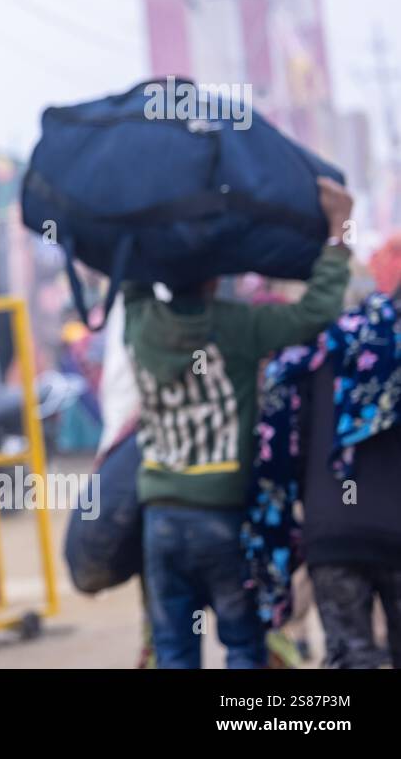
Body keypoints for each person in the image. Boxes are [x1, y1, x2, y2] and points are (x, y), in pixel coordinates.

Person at [125, 176, 352, 668]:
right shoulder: (241, 324)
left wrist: (139, 207)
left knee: (172, 649)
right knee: (244, 645)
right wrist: (339, 229)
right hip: (223, 515)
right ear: (215, 274)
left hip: (159, 517)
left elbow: (128, 268)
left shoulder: (139, 323)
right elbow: (318, 311)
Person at [245, 258, 401, 668]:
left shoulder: (311, 360)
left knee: (351, 658)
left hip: (331, 533)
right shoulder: (392, 358)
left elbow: (283, 456)